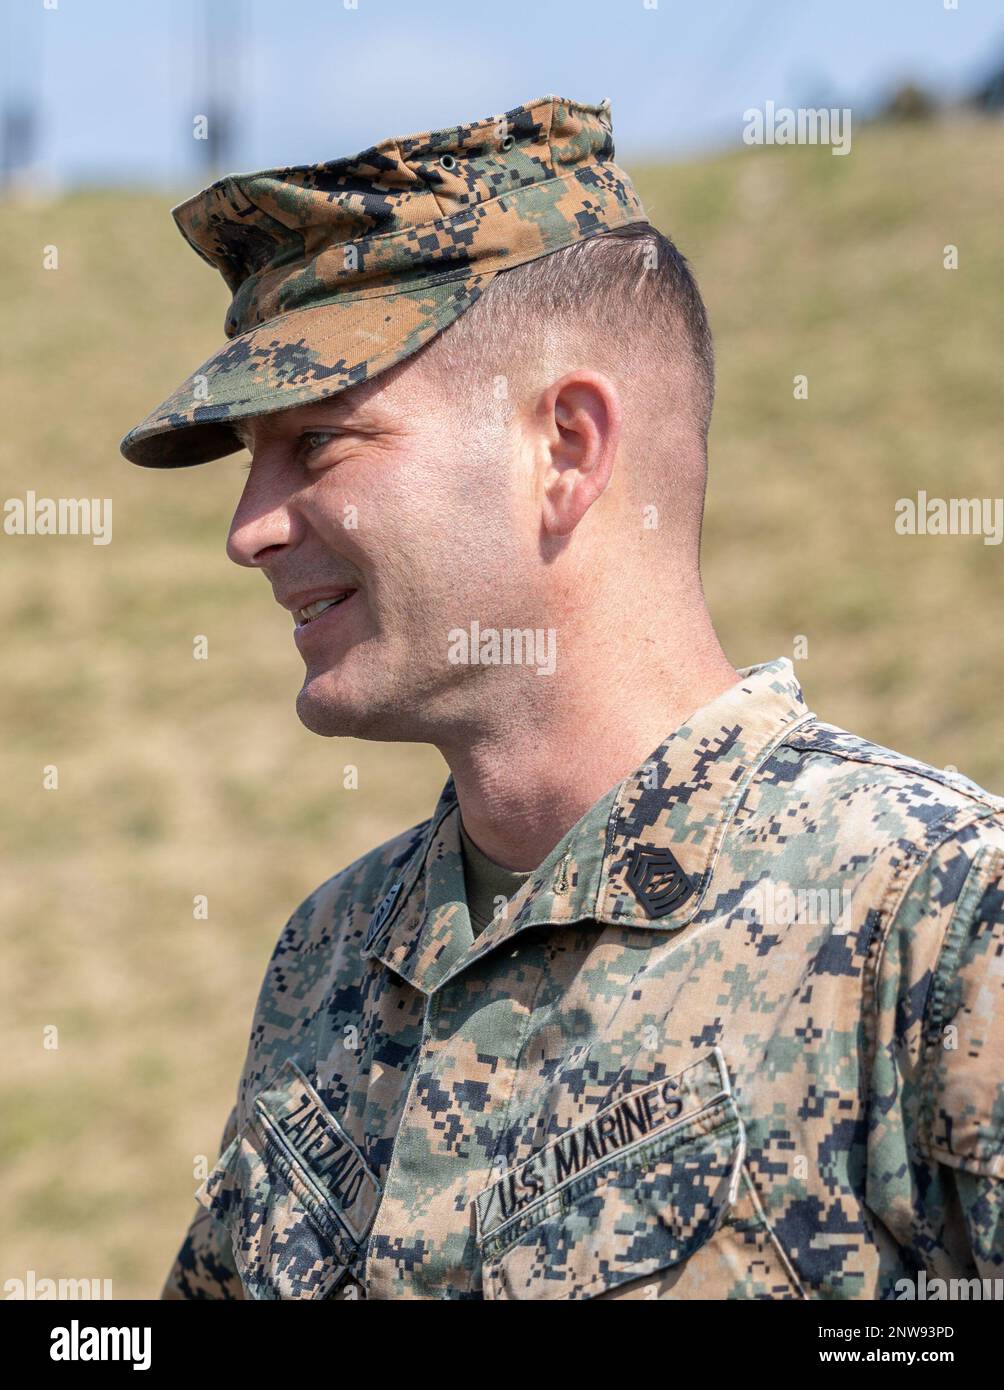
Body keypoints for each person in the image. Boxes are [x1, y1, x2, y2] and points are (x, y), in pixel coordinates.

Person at [121, 94, 1004, 1300]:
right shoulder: (329, 957)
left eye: (317, 444)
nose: (248, 529)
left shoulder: (936, 919)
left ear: (566, 448)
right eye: (249, 461)